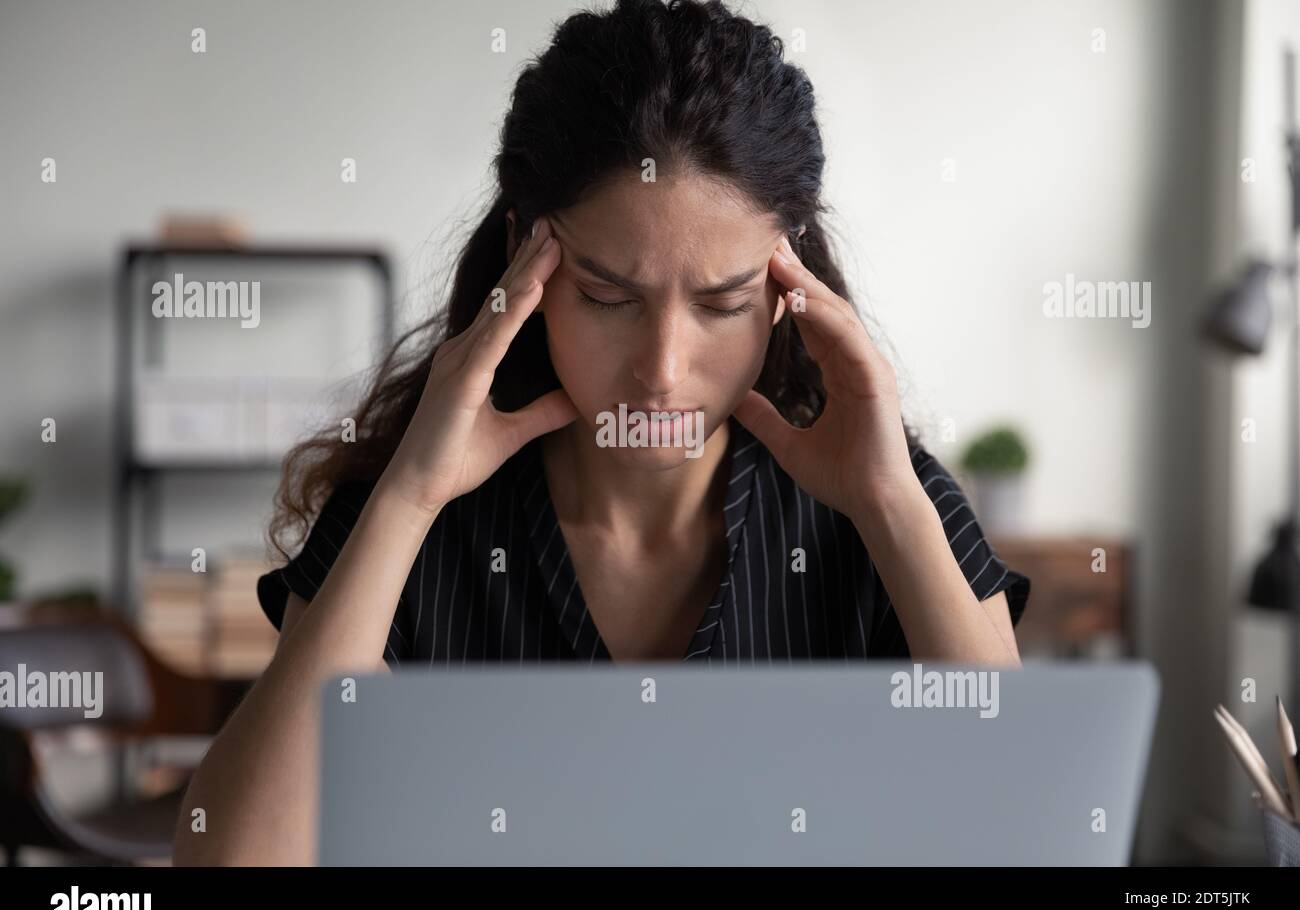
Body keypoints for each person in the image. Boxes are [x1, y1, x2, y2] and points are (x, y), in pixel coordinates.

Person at [173, 0, 1030, 866]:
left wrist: (891, 506)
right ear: (525, 264)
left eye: (722, 303)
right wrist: (406, 499)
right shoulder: (416, 516)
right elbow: (235, 859)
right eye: (609, 298)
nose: (661, 367)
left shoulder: (884, 498)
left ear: (786, 285)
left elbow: (1027, 834)